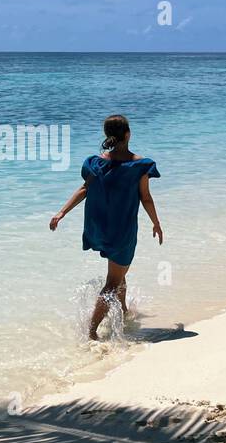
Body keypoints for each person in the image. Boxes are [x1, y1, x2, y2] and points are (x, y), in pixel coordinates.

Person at [50, 114, 163, 340]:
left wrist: (62, 212)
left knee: (119, 274)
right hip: (123, 231)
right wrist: (156, 223)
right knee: (113, 281)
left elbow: (84, 189)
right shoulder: (140, 165)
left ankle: (123, 312)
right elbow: (146, 198)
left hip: (100, 228)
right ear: (128, 134)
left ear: (108, 135)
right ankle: (91, 331)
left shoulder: (96, 162)